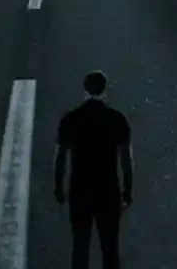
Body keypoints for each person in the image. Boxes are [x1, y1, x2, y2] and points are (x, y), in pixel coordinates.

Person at [54, 70, 134, 269]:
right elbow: (126, 160)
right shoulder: (117, 119)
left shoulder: (71, 119)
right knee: (110, 250)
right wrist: (127, 192)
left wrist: (59, 188)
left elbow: (61, 158)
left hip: (80, 192)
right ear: (105, 91)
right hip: (108, 192)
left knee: (80, 248)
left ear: (85, 91)